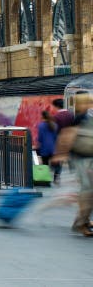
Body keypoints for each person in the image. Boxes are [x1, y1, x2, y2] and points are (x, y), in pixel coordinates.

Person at [52, 93, 93, 236]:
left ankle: (83, 221)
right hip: (82, 159)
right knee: (87, 192)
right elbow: (68, 135)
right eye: (88, 102)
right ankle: (81, 223)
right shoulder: (80, 118)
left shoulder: (84, 116)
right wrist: (60, 153)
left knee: (88, 192)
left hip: (86, 158)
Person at [36, 110, 61, 183]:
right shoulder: (54, 125)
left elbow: (40, 138)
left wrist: (37, 144)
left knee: (45, 164)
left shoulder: (40, 126)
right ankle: (56, 177)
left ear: (42, 117)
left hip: (44, 148)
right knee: (57, 164)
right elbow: (56, 137)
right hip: (53, 148)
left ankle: (46, 179)